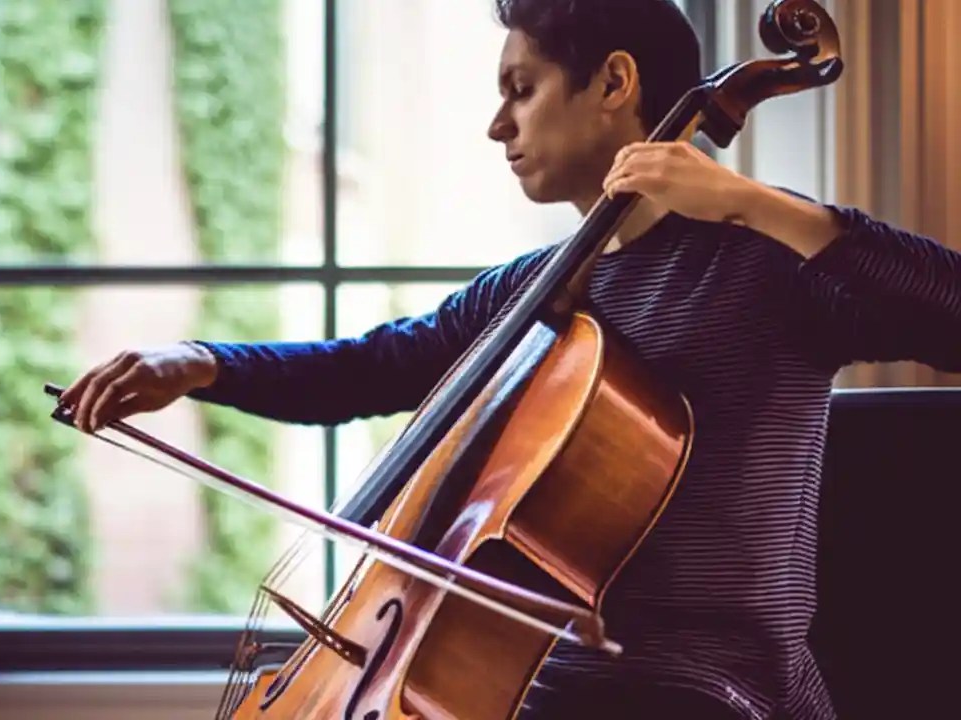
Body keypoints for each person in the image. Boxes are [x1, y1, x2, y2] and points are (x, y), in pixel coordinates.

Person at [59, 0, 961, 717]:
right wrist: (201, 362)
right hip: (542, 684)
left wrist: (757, 204)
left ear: (614, 82)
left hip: (717, 690)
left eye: (521, 89)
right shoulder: (531, 291)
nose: (498, 125)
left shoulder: (765, 266)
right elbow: (366, 368)